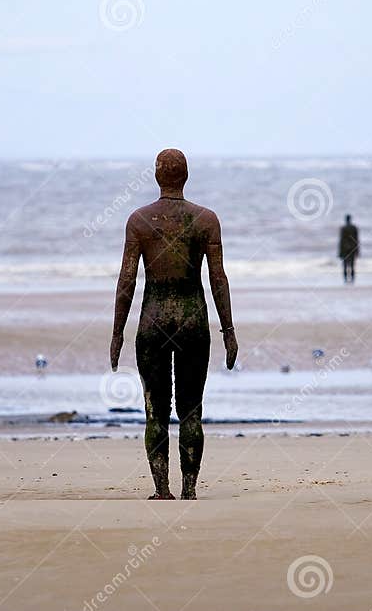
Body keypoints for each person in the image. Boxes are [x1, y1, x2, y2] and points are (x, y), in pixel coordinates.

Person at [110, 149, 237, 500]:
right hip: (193, 322)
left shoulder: (138, 220)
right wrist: (229, 331)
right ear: (186, 175)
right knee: (192, 410)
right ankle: (190, 490)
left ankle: (162, 489)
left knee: (155, 410)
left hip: (151, 324)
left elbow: (126, 282)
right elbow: (218, 280)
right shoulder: (206, 219)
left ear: (156, 175)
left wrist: (117, 333)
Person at [338, 213, 359, 284]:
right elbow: (356, 240)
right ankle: (352, 280)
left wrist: (340, 252)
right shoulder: (354, 228)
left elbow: (341, 240)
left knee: (345, 265)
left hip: (344, 249)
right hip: (353, 248)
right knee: (352, 265)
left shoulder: (343, 228)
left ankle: (345, 279)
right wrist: (357, 250)